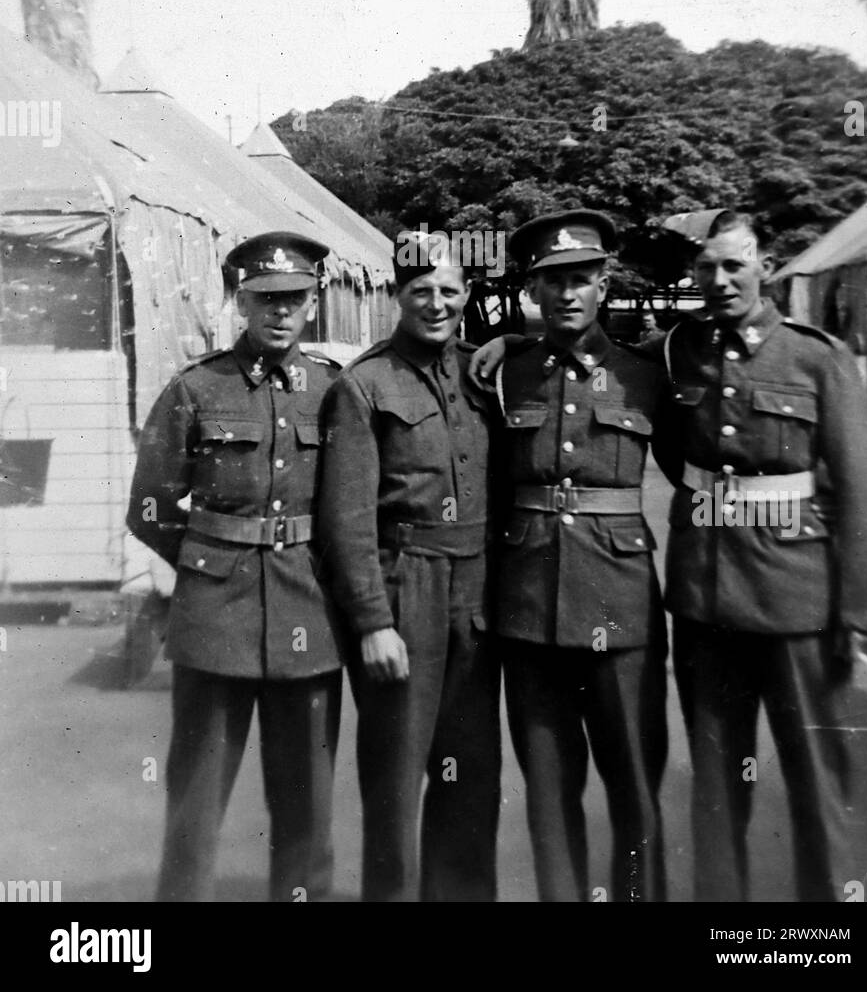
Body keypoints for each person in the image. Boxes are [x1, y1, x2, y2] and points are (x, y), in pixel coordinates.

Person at [652, 208, 867, 902]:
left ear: (765, 262)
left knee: (817, 777)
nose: (719, 280)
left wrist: (858, 611)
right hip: (705, 603)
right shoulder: (677, 351)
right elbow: (674, 453)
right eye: (706, 268)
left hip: (797, 603)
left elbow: (859, 495)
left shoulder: (817, 357)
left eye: (733, 265)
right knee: (716, 786)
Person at [126, 231, 344, 903]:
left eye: (293, 299)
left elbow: (352, 506)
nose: (279, 313)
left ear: (313, 302)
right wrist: (207, 561)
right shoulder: (196, 388)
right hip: (213, 617)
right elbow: (151, 506)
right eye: (264, 300)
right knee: (196, 795)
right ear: (239, 302)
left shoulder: (334, 392)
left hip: (307, 612)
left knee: (306, 798)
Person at [475, 210, 669, 902]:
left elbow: (702, 463)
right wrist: (503, 342)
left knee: (636, 790)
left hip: (621, 610)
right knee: (549, 794)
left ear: (602, 283)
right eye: (552, 281)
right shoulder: (503, 374)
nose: (566, 294)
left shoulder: (647, 374)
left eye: (580, 279)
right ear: (532, 288)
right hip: (529, 613)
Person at [318, 231, 501, 902]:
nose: (435, 303)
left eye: (449, 290)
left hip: (475, 595)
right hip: (405, 591)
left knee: (472, 774)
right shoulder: (363, 385)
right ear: (398, 296)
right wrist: (371, 621)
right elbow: (346, 518)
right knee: (395, 780)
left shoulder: (483, 373)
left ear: (466, 294)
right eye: (420, 291)